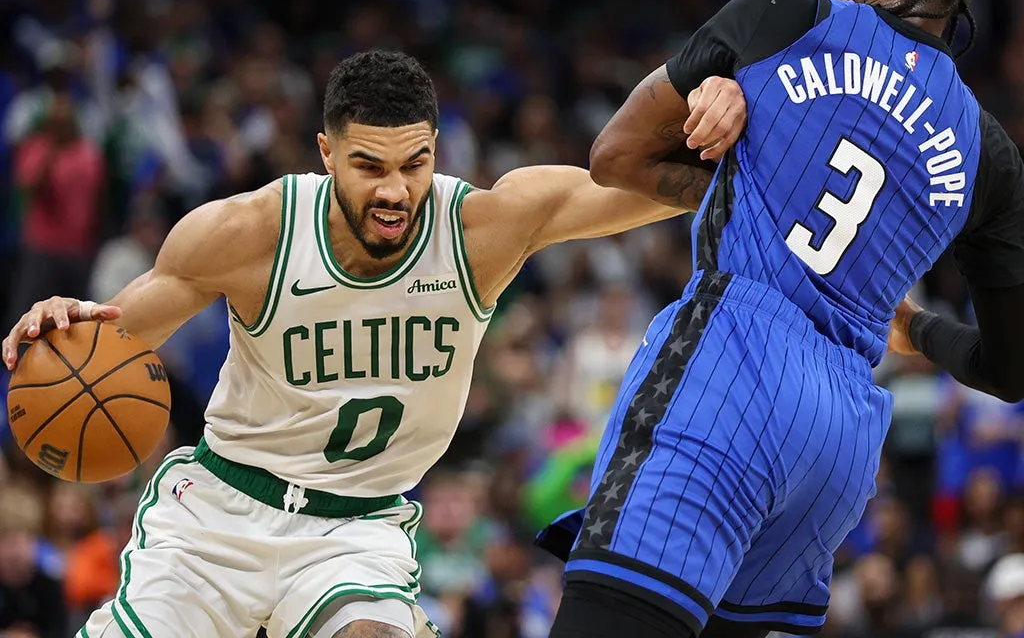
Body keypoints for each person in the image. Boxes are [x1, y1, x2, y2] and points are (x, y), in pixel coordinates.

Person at [2, 49, 745, 638]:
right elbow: (114, 339)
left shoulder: (480, 230)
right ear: (327, 153)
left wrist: (740, 117)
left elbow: (652, 184)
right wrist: (71, 321)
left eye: (414, 164)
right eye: (369, 166)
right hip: (221, 512)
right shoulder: (249, 233)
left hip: (355, 528)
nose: (395, 190)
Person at [537, 0, 1024, 638]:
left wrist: (743, 173)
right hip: (842, 436)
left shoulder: (787, 16)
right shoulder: (990, 150)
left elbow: (614, 156)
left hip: (733, 365)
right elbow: (1012, 369)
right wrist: (918, 329)